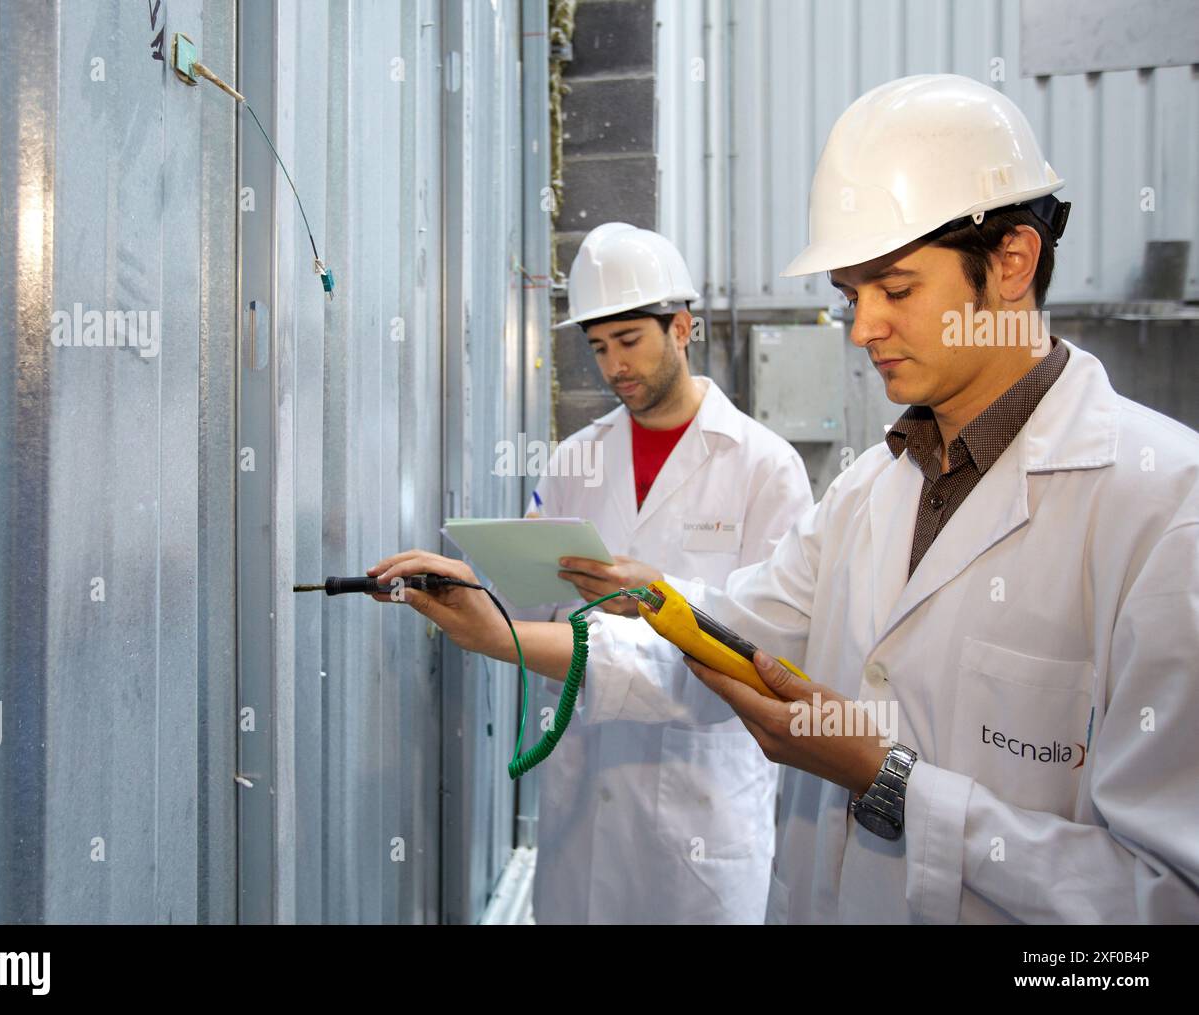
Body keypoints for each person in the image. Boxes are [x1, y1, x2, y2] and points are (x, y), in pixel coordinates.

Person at [371, 74, 1199, 922]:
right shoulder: (869, 492)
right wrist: (502, 628)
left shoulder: (1163, 509)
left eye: (896, 289)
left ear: (1012, 261)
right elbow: (720, 644)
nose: (863, 326)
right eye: (850, 296)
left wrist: (892, 781)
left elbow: (1164, 896)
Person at [509, 222, 812, 923]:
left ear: (681, 326)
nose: (614, 365)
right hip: (583, 792)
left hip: (700, 806)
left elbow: (775, 649)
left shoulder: (763, 465)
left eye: (629, 340)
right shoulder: (574, 460)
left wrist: (651, 606)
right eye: (597, 347)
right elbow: (530, 604)